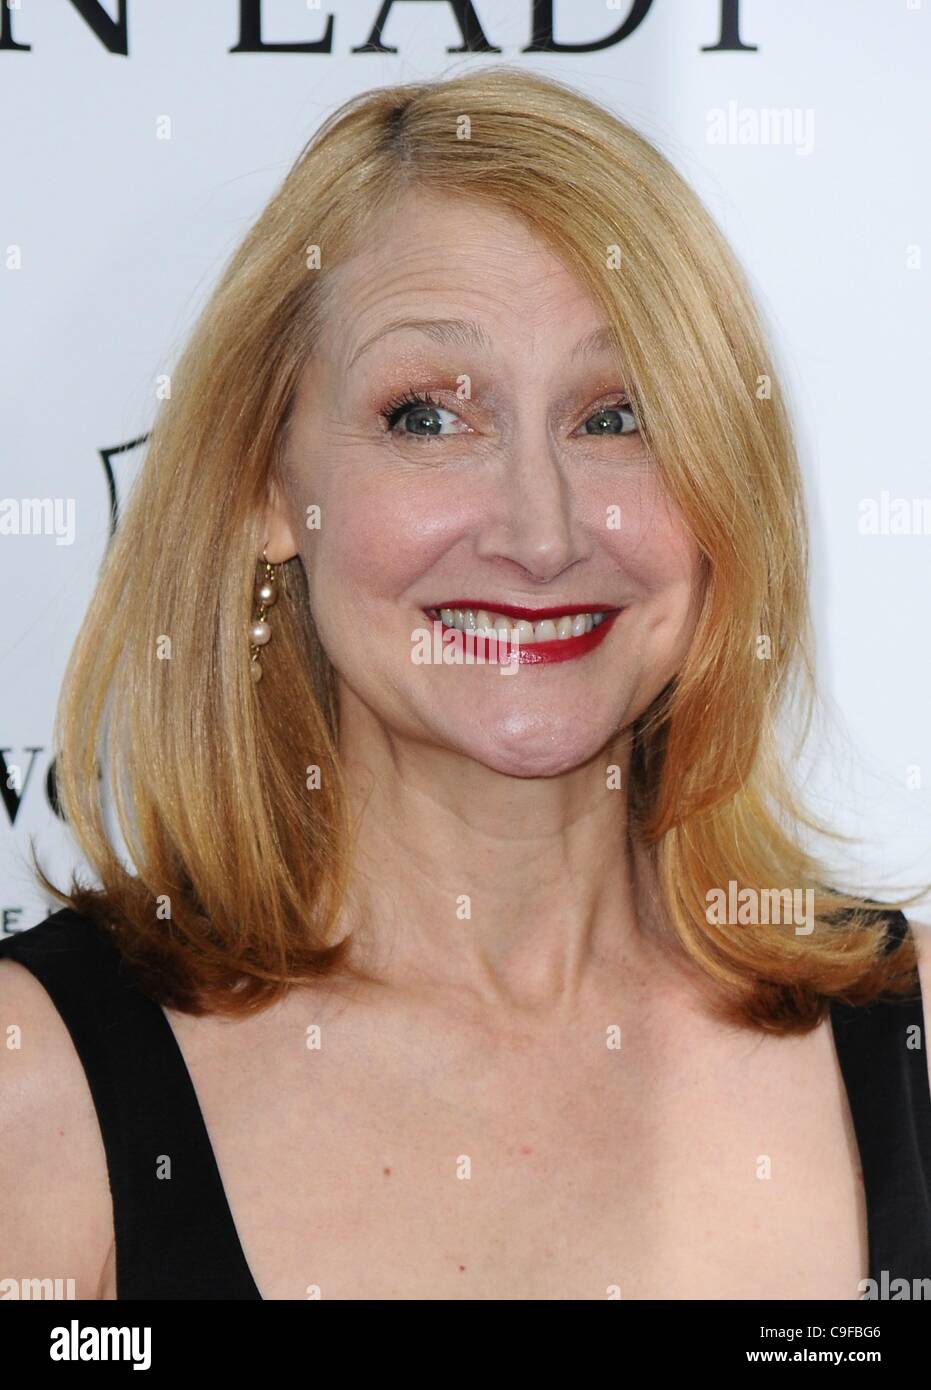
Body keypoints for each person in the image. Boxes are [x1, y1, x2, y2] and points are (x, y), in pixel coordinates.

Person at [1, 67, 929, 1302]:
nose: (540, 534)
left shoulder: (910, 1040)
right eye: (429, 419)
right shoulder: (40, 1089)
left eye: (617, 416)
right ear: (264, 490)